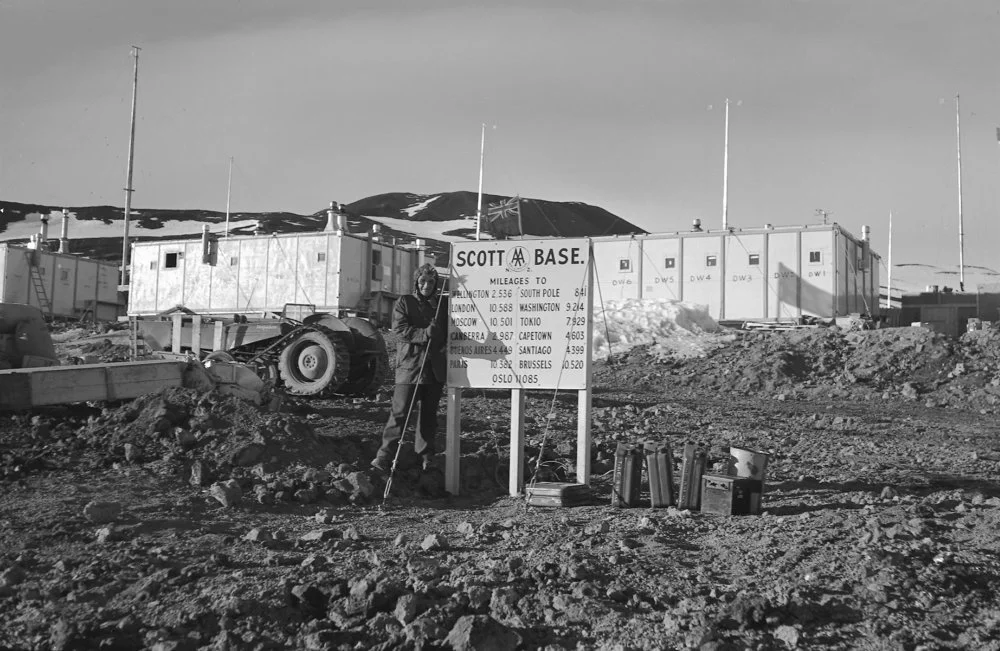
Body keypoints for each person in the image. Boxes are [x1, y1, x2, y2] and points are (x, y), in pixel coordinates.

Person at [371, 263, 448, 473]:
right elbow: (400, 330)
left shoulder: (443, 304)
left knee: (429, 417)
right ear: (416, 281)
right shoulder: (404, 302)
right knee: (399, 413)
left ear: (436, 284)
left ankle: (425, 456)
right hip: (410, 367)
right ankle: (384, 456)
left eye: (431, 282)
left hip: (435, 369)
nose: (426, 285)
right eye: (423, 281)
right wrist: (424, 334)